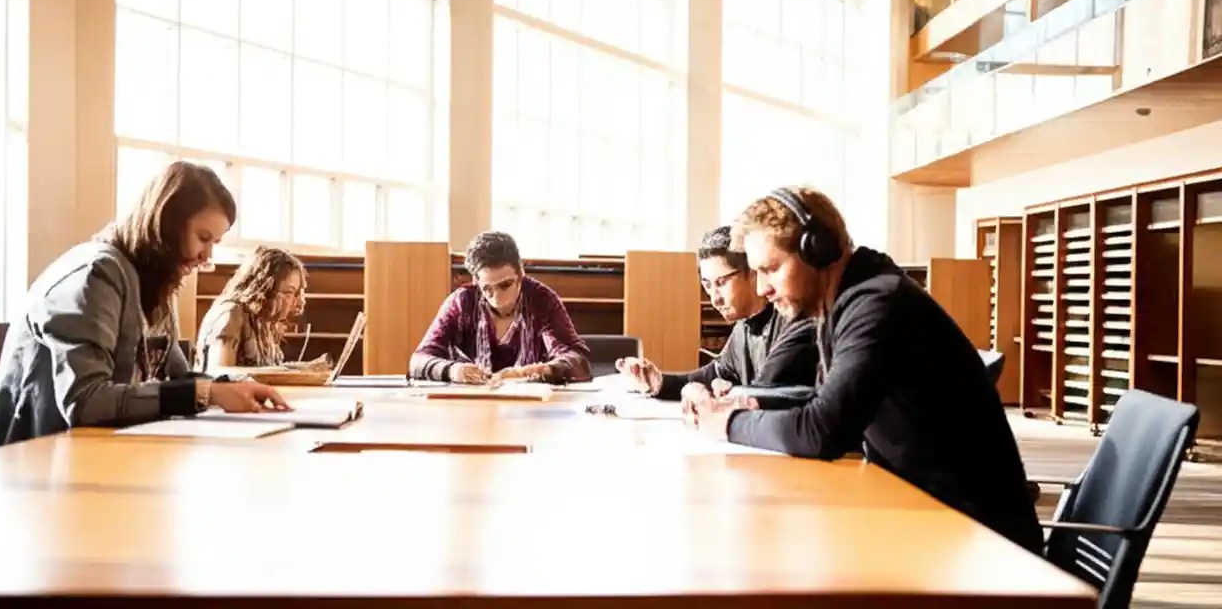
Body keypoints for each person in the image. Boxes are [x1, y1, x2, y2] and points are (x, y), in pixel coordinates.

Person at [683, 186, 1043, 555]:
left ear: (817, 250)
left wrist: (727, 423)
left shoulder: (878, 305)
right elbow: (829, 404)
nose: (763, 288)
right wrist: (755, 409)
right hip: (928, 519)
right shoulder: (843, 303)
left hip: (979, 544)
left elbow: (823, 430)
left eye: (771, 269)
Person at [0, 161, 289, 451]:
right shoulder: (94, 275)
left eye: (214, 243)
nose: (207, 256)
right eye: (203, 238)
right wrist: (207, 394)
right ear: (166, 224)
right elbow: (85, 402)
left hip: (95, 455)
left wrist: (230, 385)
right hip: (27, 465)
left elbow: (174, 378)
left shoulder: (155, 281)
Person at [615, 225, 818, 403]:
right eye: (707, 285)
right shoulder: (744, 326)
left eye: (721, 283)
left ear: (753, 273)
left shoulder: (792, 320)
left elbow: (768, 392)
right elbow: (713, 374)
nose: (714, 298)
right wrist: (658, 381)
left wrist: (729, 394)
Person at [409, 231, 591, 384]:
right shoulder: (462, 302)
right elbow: (418, 360)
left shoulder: (542, 300)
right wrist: (452, 371)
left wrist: (529, 373)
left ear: (521, 274)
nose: (498, 298)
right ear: (476, 282)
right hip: (472, 410)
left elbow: (579, 361)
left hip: (532, 410)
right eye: (487, 289)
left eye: (505, 285)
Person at [194, 246, 330, 376]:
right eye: (289, 292)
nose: (299, 302)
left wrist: (305, 368)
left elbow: (266, 369)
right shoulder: (230, 313)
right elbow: (220, 372)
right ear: (263, 289)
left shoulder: (264, 321)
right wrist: (286, 372)